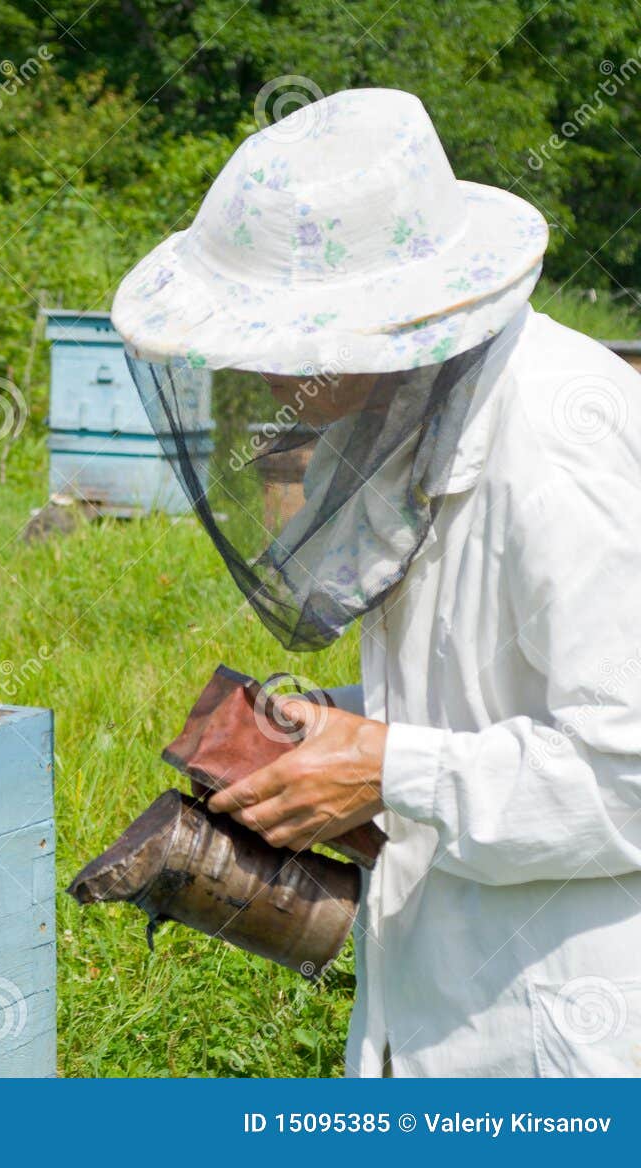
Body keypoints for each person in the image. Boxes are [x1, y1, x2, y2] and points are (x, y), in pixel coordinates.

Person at [112, 87, 641, 1075]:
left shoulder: (563, 452)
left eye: (276, 335)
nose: (260, 368)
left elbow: (629, 770)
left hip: (563, 1033)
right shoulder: (405, 408)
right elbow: (487, 688)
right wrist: (330, 726)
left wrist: (384, 767)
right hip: (435, 997)